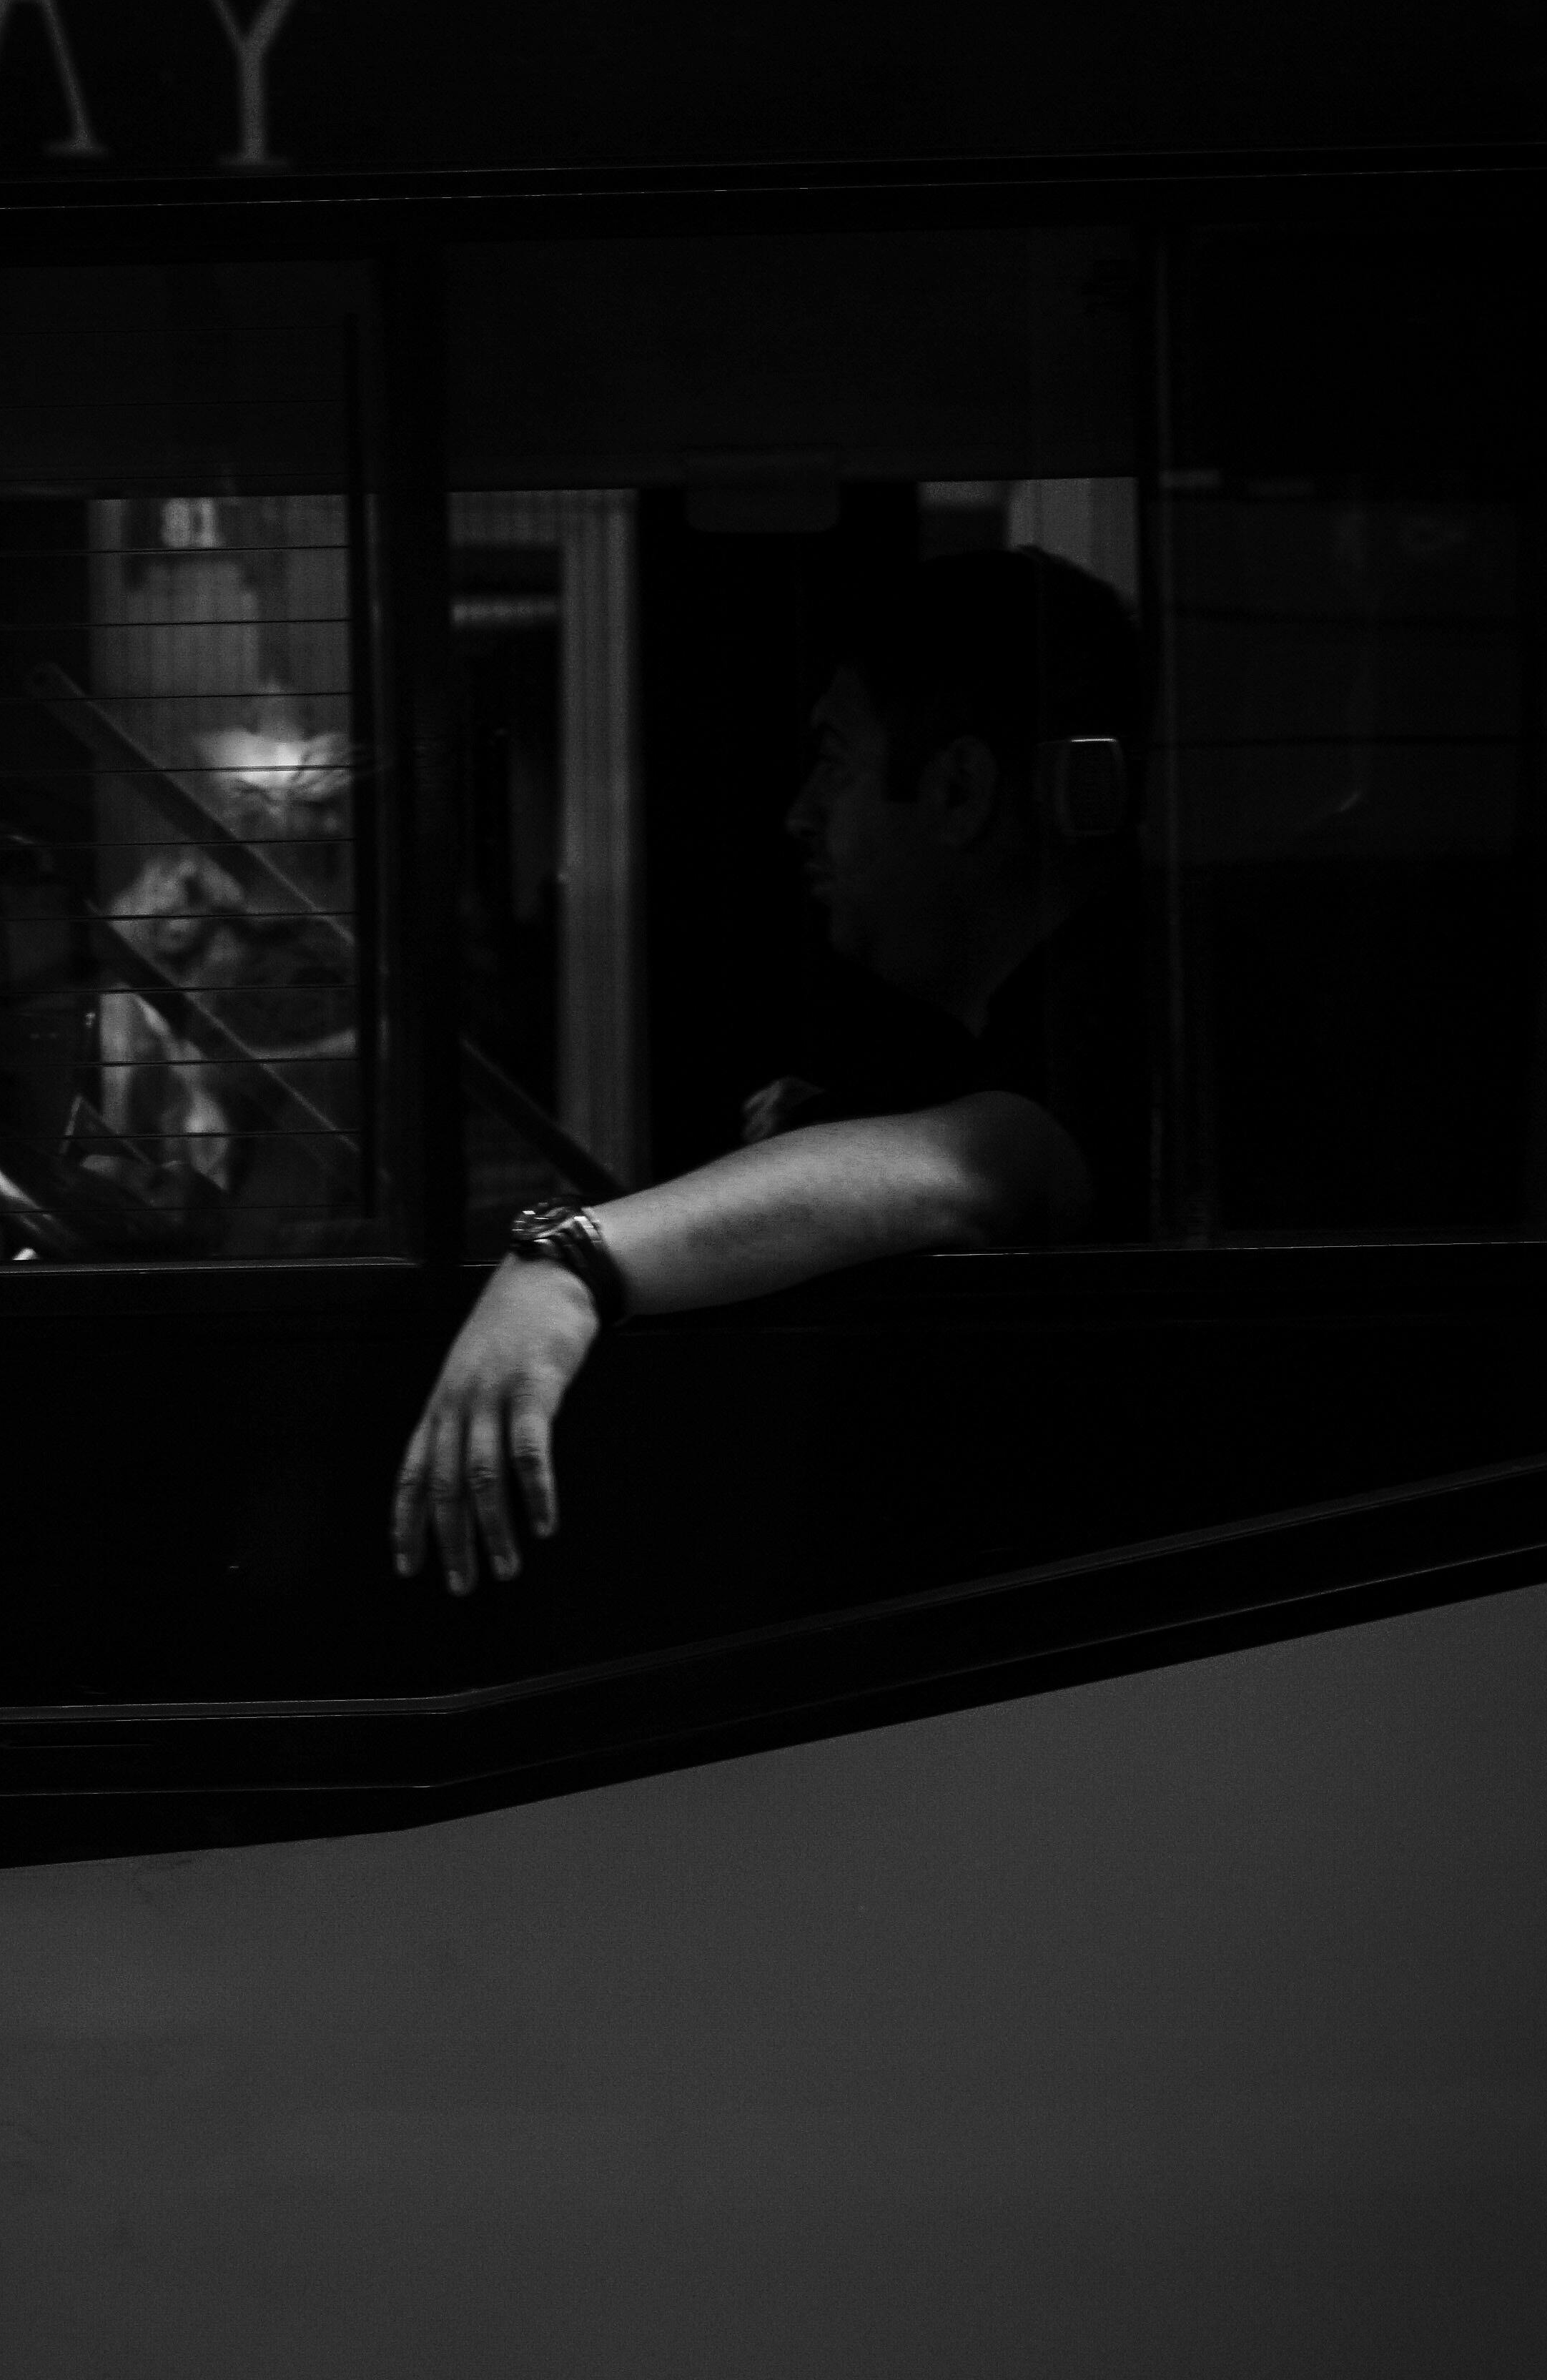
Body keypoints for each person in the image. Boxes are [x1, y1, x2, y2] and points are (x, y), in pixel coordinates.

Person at [391, 545, 1145, 1595]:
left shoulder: (1118, 1007)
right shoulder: (1030, 1011)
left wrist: (569, 1265)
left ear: (961, 792)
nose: (800, 815)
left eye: (833, 762)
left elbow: (970, 1166)